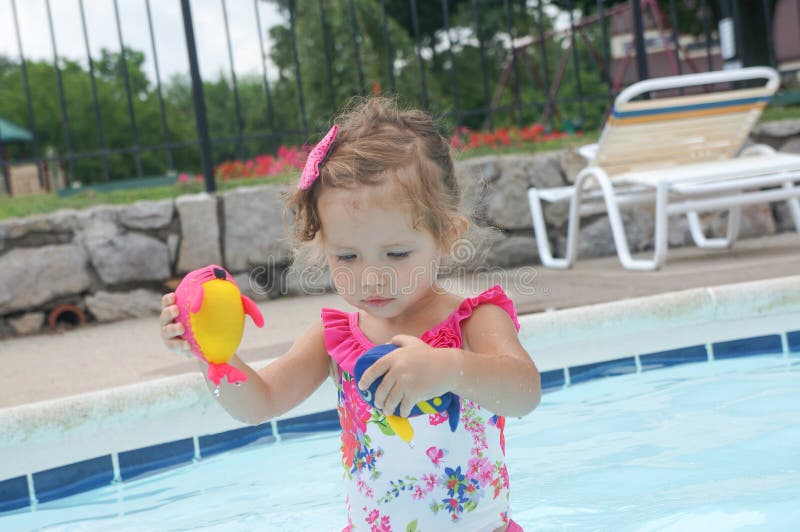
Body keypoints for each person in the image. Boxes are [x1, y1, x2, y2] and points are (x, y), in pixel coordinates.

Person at [160, 97, 541, 531]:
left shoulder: (474, 320)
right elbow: (259, 403)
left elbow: (524, 393)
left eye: (396, 254)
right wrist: (211, 353)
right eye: (347, 257)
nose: (371, 278)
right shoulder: (334, 337)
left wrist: (450, 368)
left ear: (448, 236)